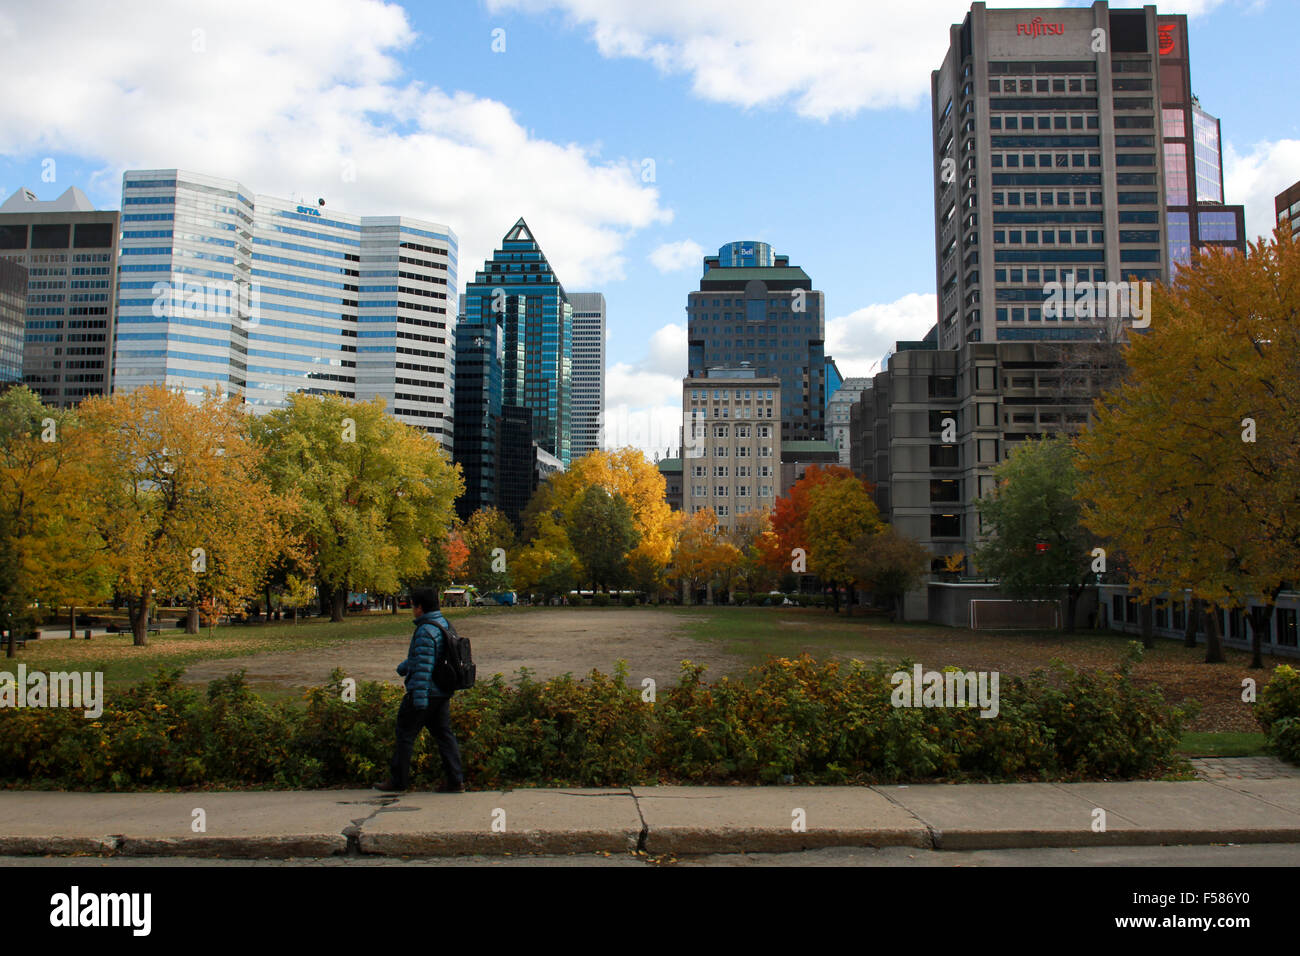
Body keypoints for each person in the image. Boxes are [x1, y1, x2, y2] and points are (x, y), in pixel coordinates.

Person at [375, 588, 466, 793]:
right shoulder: (443, 624)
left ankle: (398, 781)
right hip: (442, 691)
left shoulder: (425, 630)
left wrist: (419, 698)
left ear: (420, 607)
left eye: (413, 605)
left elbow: (425, 666)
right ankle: (455, 780)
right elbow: (426, 657)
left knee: (405, 733)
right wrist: (404, 667)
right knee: (444, 735)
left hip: (426, 691)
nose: (412, 609)